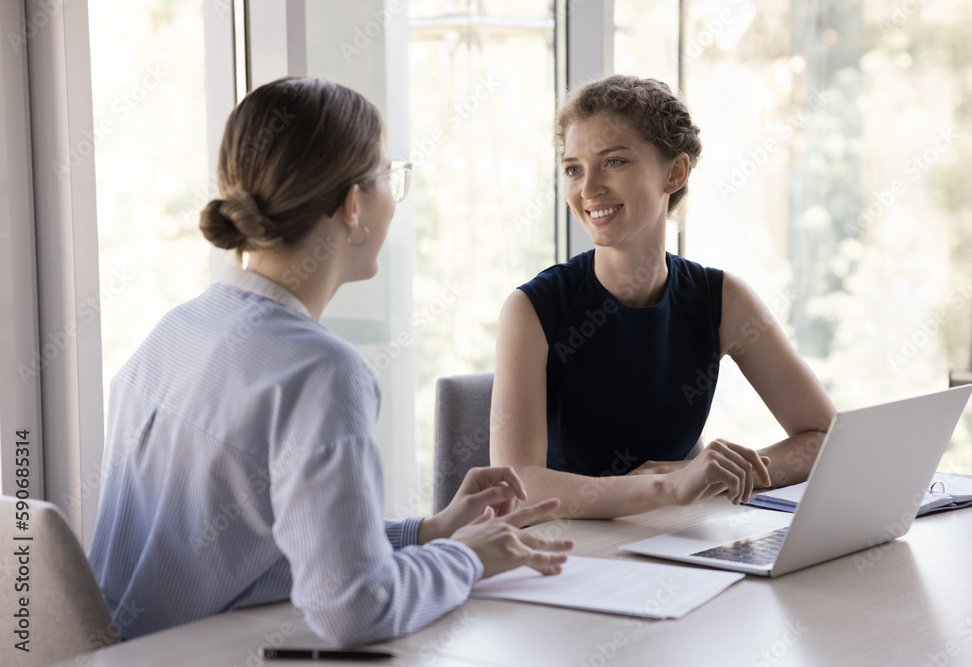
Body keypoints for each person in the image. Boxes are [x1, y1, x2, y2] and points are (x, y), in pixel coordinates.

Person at [87, 77, 572, 646]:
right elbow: (356, 609)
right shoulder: (320, 372)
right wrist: (463, 558)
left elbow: (258, 548)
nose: (396, 194)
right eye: (389, 176)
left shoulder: (178, 330)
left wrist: (426, 532)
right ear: (352, 204)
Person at [490, 74, 836, 519]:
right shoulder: (531, 310)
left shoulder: (722, 299)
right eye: (573, 168)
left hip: (674, 543)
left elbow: (825, 436)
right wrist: (667, 488)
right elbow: (516, 484)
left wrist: (710, 474)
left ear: (674, 172)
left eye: (613, 162)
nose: (588, 187)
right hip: (564, 555)